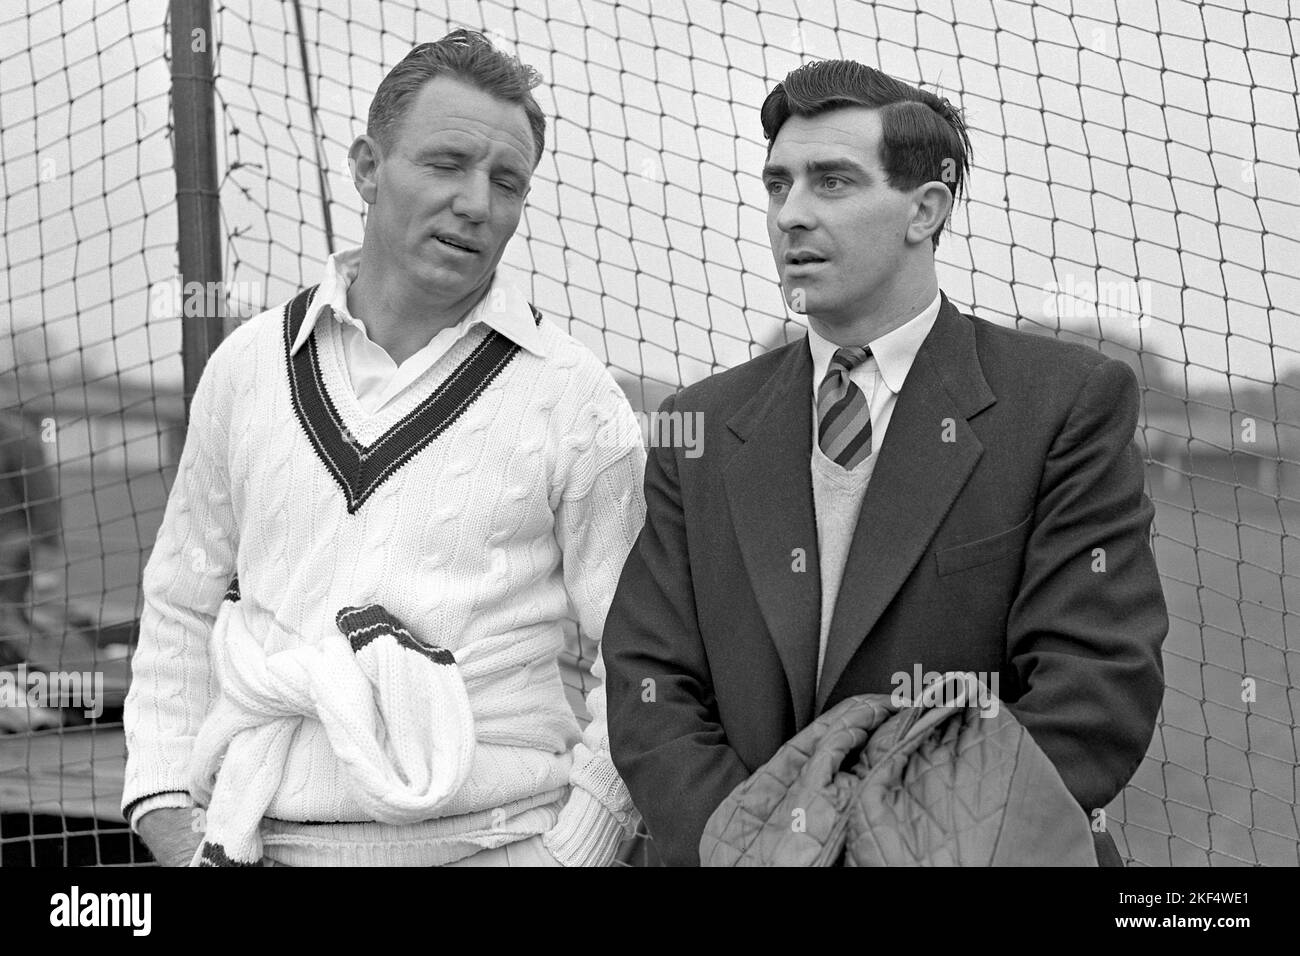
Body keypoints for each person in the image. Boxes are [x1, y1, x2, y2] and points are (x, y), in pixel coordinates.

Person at [603, 59, 1168, 866]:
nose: (790, 214)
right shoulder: (699, 422)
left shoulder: (1064, 403)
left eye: (831, 182)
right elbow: (650, 685)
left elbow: (1093, 691)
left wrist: (874, 848)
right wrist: (753, 849)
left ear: (924, 209)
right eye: (777, 184)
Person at [122, 29, 646, 866]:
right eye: (447, 163)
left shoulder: (577, 396)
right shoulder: (248, 366)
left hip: (499, 839)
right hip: (252, 837)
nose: (478, 202)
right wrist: (167, 813)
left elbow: (638, 654)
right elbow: (181, 605)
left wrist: (575, 851)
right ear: (368, 167)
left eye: (506, 182)